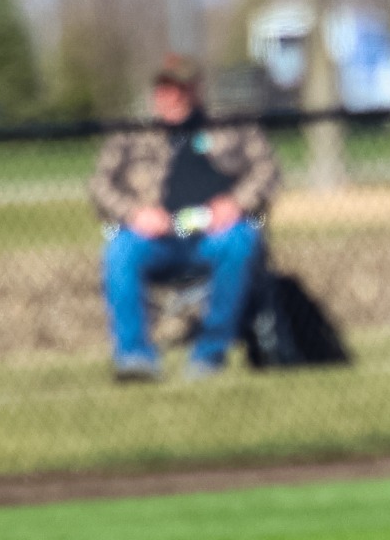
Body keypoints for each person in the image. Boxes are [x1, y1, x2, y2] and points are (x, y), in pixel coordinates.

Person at [89, 55, 279, 381]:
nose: (171, 97)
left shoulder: (231, 127)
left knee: (240, 242)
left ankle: (208, 355)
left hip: (213, 235)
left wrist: (235, 203)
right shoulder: (132, 134)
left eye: (180, 89)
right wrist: (135, 214)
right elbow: (99, 186)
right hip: (157, 238)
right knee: (120, 251)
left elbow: (268, 172)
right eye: (164, 89)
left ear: (195, 90)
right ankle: (135, 357)